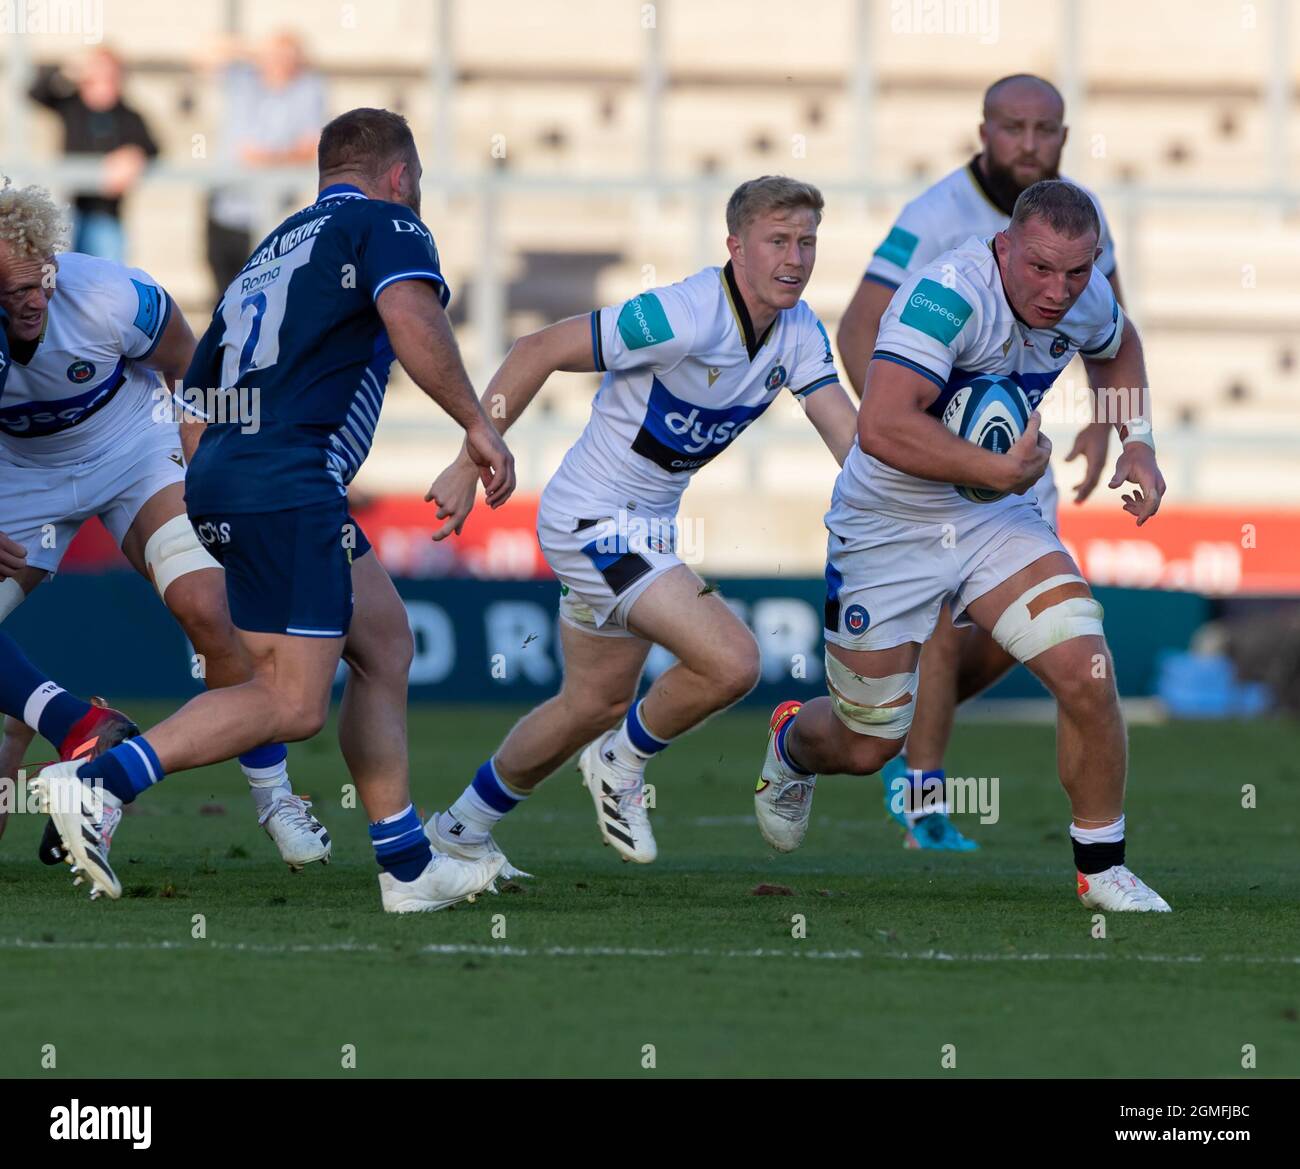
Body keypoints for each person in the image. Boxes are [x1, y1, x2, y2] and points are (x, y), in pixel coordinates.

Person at [34, 109, 517, 915]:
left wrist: (218, 477)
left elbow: (197, 392)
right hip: (288, 472)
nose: (418, 197)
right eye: (419, 184)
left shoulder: (272, 250)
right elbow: (412, 318)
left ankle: (404, 862)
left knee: (386, 641)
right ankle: (98, 782)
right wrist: (475, 422)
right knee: (292, 701)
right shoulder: (386, 222)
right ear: (400, 176)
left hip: (232, 468)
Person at [755, 180, 1172, 913]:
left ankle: (1101, 868)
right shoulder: (945, 296)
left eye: (1076, 273)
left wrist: (1136, 441)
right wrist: (995, 468)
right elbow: (882, 426)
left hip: (991, 515)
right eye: (1040, 268)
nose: (1057, 290)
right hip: (888, 518)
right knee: (866, 741)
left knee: (1085, 663)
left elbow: (1120, 344)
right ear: (1005, 246)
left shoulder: (1085, 295)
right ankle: (792, 742)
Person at [422, 176, 859, 870]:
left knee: (591, 702)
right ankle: (621, 762)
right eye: (778, 240)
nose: (796, 258)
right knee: (733, 661)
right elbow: (537, 347)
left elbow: (849, 438)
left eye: (807, 242)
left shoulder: (800, 331)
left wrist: (909, 503)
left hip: (645, 532)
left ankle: (459, 828)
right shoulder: (681, 314)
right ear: (735, 247)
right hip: (590, 520)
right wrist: (468, 458)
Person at [0, 178, 328, 872]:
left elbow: (189, 362)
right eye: (11, 289)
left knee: (209, 607)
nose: (30, 299)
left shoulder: (109, 293)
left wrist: (203, 463)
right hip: (19, 478)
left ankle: (275, 798)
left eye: (39, 282)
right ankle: (46, 721)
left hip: (131, 449)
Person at [837, 74, 1125, 849]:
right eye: (1013, 127)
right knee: (938, 622)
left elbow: (1110, 328)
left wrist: (1113, 425)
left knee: (1004, 643)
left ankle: (890, 728)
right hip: (930, 467)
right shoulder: (935, 219)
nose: (1029, 143)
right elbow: (857, 328)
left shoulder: (1076, 225)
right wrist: (917, 434)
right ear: (984, 130)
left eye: (1045, 129)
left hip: (1015, 464)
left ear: (1064, 136)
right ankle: (922, 794)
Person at [201, 31, 326, 296]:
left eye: (286, 56)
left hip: (272, 211)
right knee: (221, 295)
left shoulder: (308, 88)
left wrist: (267, 159)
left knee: (264, 298)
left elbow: (310, 146)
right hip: (225, 204)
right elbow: (203, 54)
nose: (279, 62)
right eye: (274, 55)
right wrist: (253, 52)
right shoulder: (244, 78)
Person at [28, 48, 158, 263]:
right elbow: (35, 93)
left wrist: (134, 155)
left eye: (110, 78)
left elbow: (152, 147)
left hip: (106, 212)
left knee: (107, 280)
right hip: (68, 208)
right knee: (63, 276)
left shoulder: (128, 115)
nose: (103, 85)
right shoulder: (71, 105)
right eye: (97, 76)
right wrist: (68, 70)